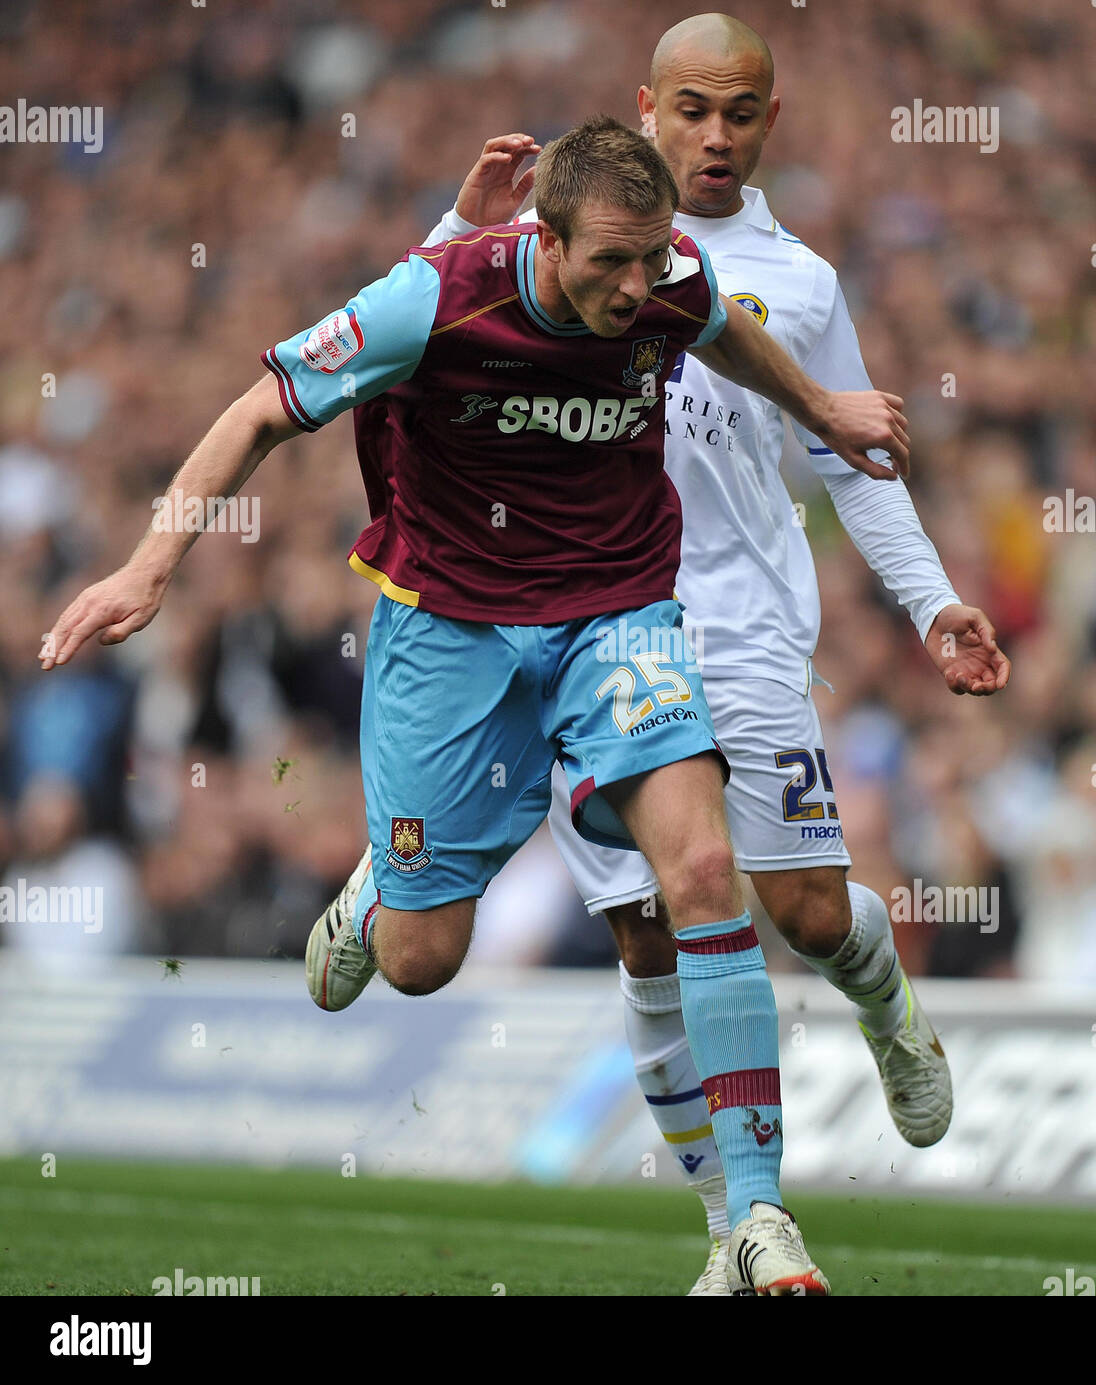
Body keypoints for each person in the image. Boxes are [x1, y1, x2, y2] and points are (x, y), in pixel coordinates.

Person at [40, 115, 911, 1296]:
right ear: (540, 239)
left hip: (619, 617)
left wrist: (825, 411)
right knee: (421, 960)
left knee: (703, 876)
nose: (632, 286)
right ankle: (385, 885)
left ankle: (760, 1218)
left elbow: (723, 333)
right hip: (450, 631)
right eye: (605, 261)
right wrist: (150, 565)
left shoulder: (665, 280)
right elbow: (256, 412)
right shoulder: (429, 302)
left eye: (648, 258)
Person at [409, 13, 1012, 1294]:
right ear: (645, 107)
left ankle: (885, 1002)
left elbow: (860, 459)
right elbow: (429, 331)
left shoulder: (799, 281)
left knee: (795, 908)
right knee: (649, 934)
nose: (716, 136)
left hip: (740, 631)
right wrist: (453, 229)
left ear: (771, 122)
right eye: (691, 109)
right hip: (592, 627)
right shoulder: (560, 244)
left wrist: (933, 603)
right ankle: (730, 1229)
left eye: (740, 113)